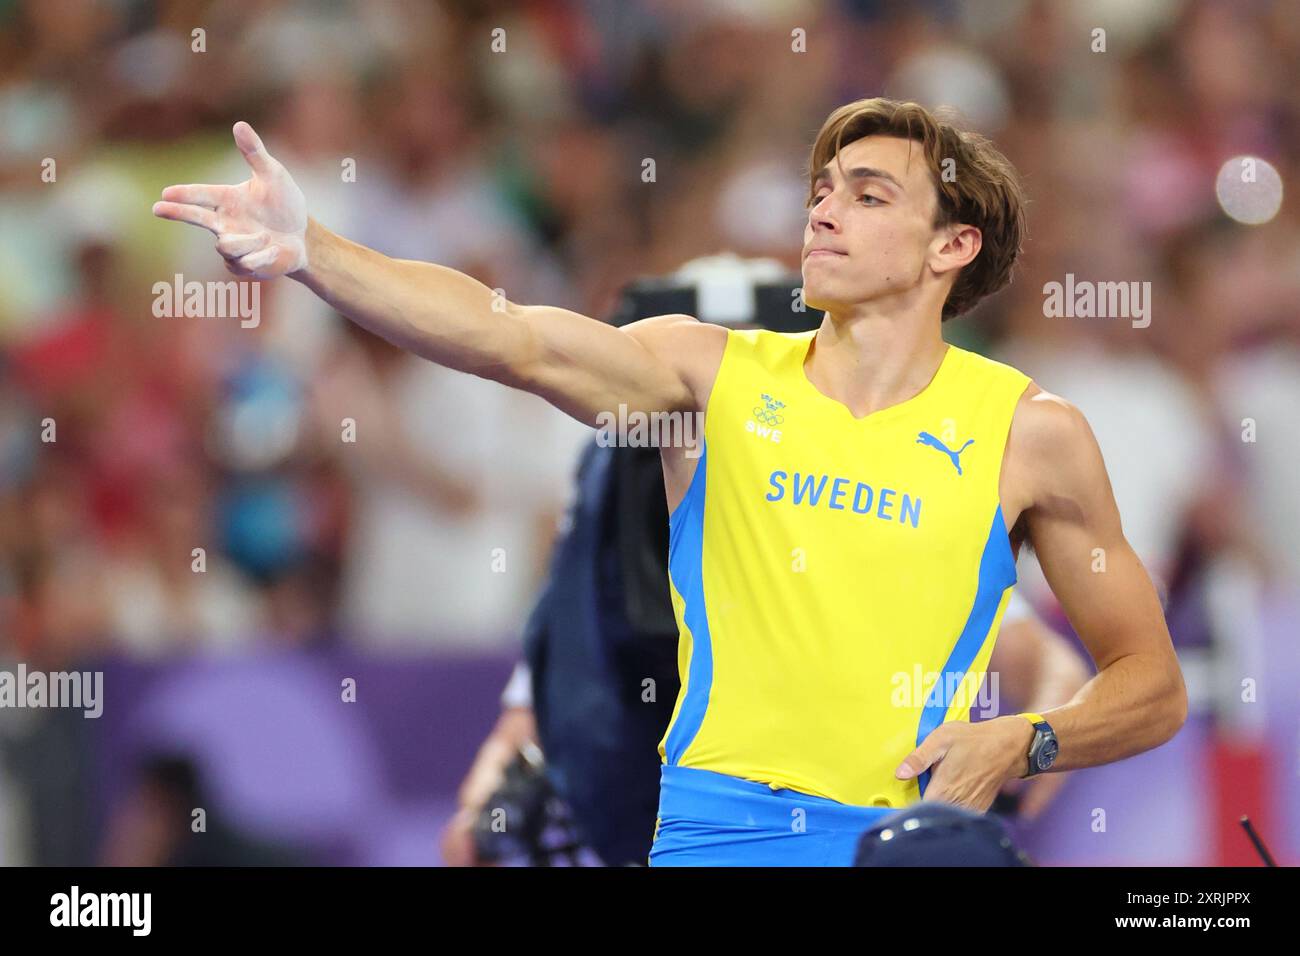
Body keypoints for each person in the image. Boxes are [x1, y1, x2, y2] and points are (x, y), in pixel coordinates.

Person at [153, 97, 1187, 866]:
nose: (821, 214)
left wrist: (1027, 738)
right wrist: (312, 252)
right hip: (711, 835)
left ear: (951, 247)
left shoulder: (1029, 433)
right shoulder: (709, 375)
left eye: (867, 196)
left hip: (905, 837)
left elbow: (1151, 681)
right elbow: (505, 336)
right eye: (820, 190)